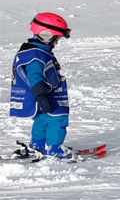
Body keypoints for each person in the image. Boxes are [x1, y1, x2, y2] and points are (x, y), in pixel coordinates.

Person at [9, 13, 73, 159]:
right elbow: (34, 76)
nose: (56, 43)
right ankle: (53, 148)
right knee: (58, 119)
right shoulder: (36, 55)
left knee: (41, 120)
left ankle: (37, 145)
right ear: (46, 35)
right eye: (56, 39)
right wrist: (41, 96)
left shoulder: (32, 51)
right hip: (47, 97)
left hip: (42, 97)